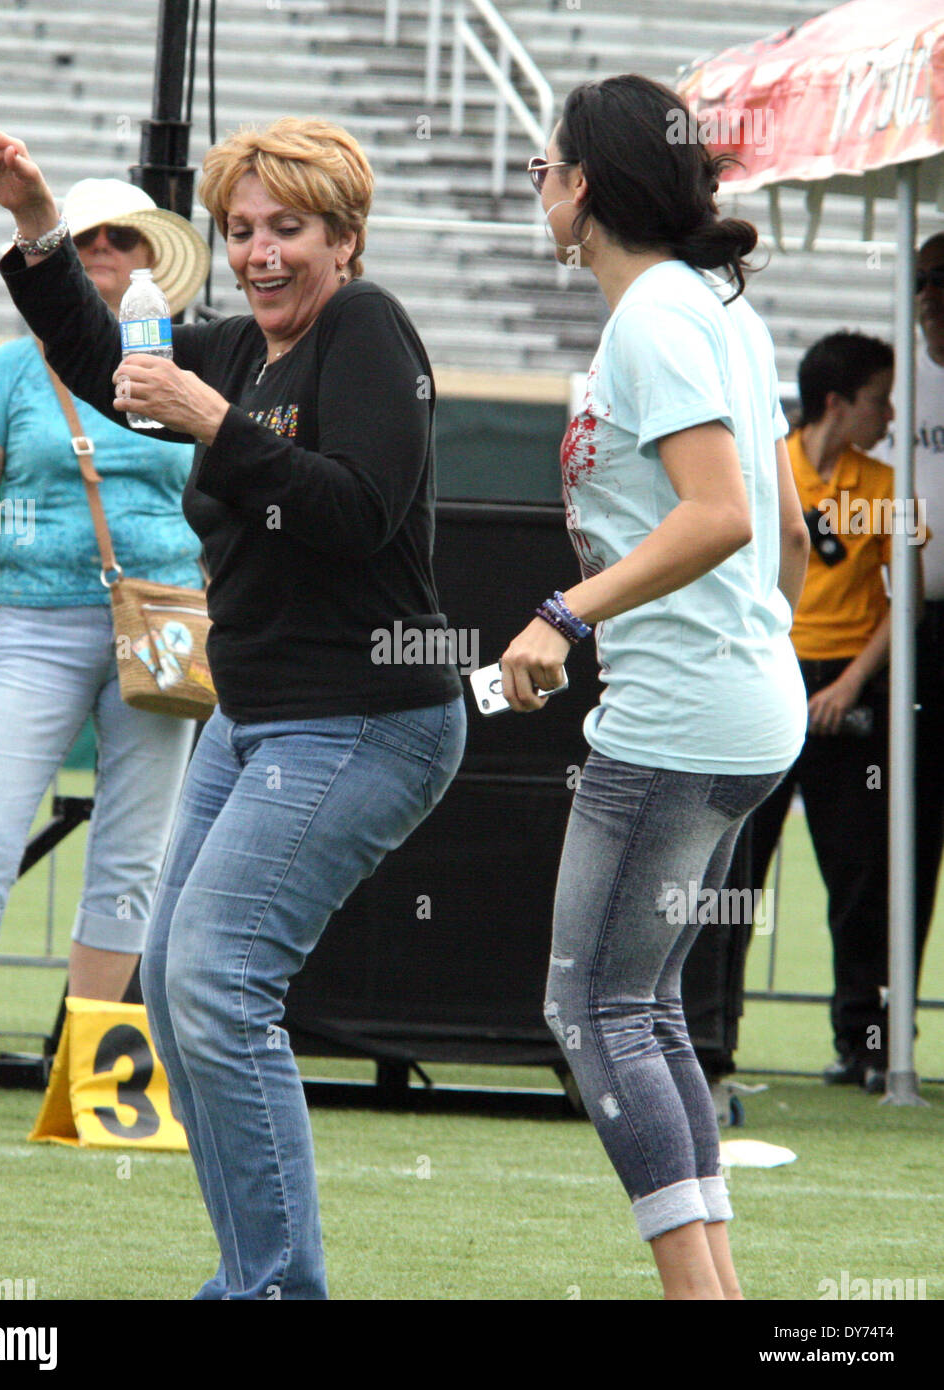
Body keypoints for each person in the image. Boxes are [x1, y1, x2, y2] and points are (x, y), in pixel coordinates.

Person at [0, 115, 466, 1298]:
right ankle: (255, 1274)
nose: (261, 253)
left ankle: (275, 1288)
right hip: (256, 712)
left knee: (222, 983)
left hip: (368, 715)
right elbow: (101, 362)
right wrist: (36, 220)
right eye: (242, 231)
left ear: (346, 235)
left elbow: (359, 514)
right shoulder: (238, 354)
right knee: (180, 1000)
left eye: (288, 229)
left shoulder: (367, 331)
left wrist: (213, 425)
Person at [498, 76, 809, 1300]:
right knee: (646, 1002)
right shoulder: (711, 307)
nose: (538, 186)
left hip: (685, 714)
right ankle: (719, 1293)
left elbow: (726, 516)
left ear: (584, 187)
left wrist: (566, 613)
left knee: (589, 1008)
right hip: (739, 702)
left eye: (544, 166)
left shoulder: (654, 320)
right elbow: (781, 527)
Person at [0, 178, 210, 1123]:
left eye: (123, 238)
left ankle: (88, 1083)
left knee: (132, 859)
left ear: (152, 255)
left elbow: (232, 491)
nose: (105, 252)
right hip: (35, 623)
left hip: (167, 621)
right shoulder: (8, 367)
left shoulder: (190, 363)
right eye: (85, 239)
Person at [726, 332, 900, 1095]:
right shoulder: (763, 469)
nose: (891, 413)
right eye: (879, 398)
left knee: (859, 876)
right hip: (768, 684)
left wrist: (850, 684)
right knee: (734, 873)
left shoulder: (887, 487)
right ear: (838, 403)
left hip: (846, 702)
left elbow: (906, 599)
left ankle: (862, 1044)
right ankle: (711, 1032)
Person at [882, 233, 944, 983]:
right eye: (919, 277)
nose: (927, 292)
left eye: (940, 277)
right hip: (911, 629)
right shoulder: (896, 384)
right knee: (906, 825)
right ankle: (881, 1022)